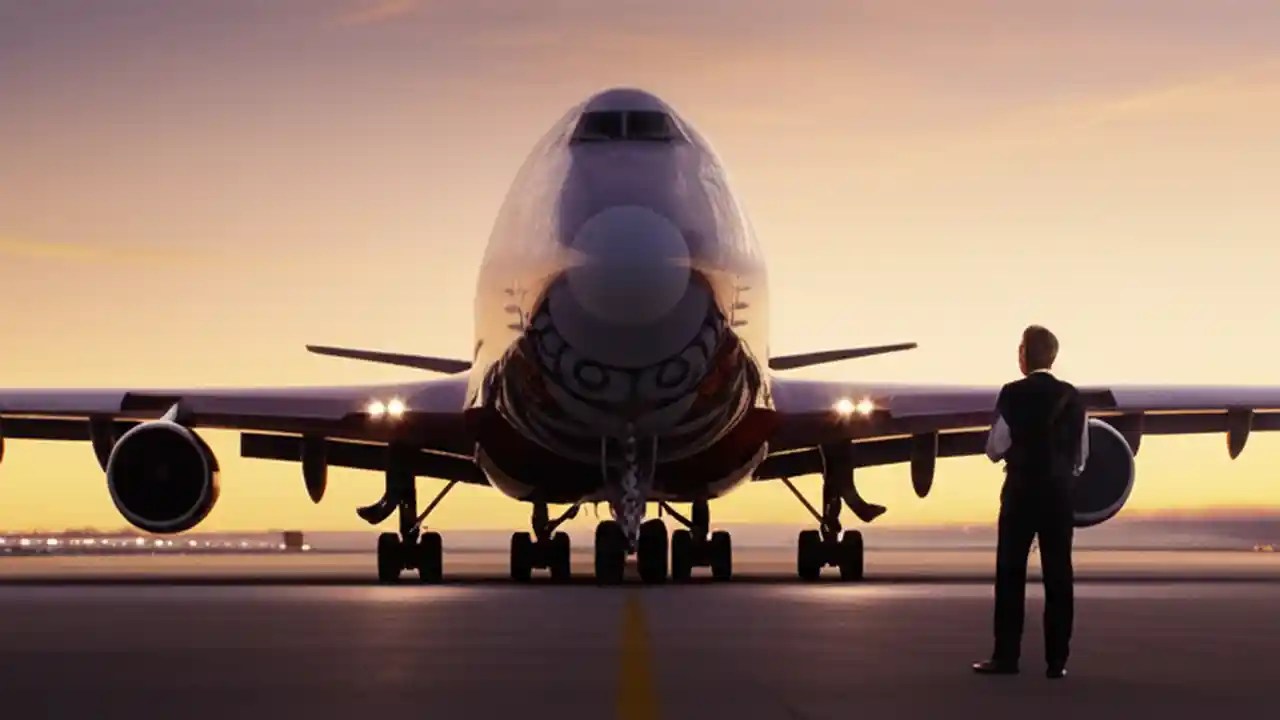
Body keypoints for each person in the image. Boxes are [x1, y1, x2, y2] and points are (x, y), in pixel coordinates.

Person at [972, 325, 1088, 680]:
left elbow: (995, 448)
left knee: (1010, 574)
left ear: (1024, 355)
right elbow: (1081, 456)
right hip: (1057, 496)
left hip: (1021, 492)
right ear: (1052, 357)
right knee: (1059, 576)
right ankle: (1057, 662)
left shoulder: (1011, 394)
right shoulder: (1073, 397)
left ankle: (1006, 658)